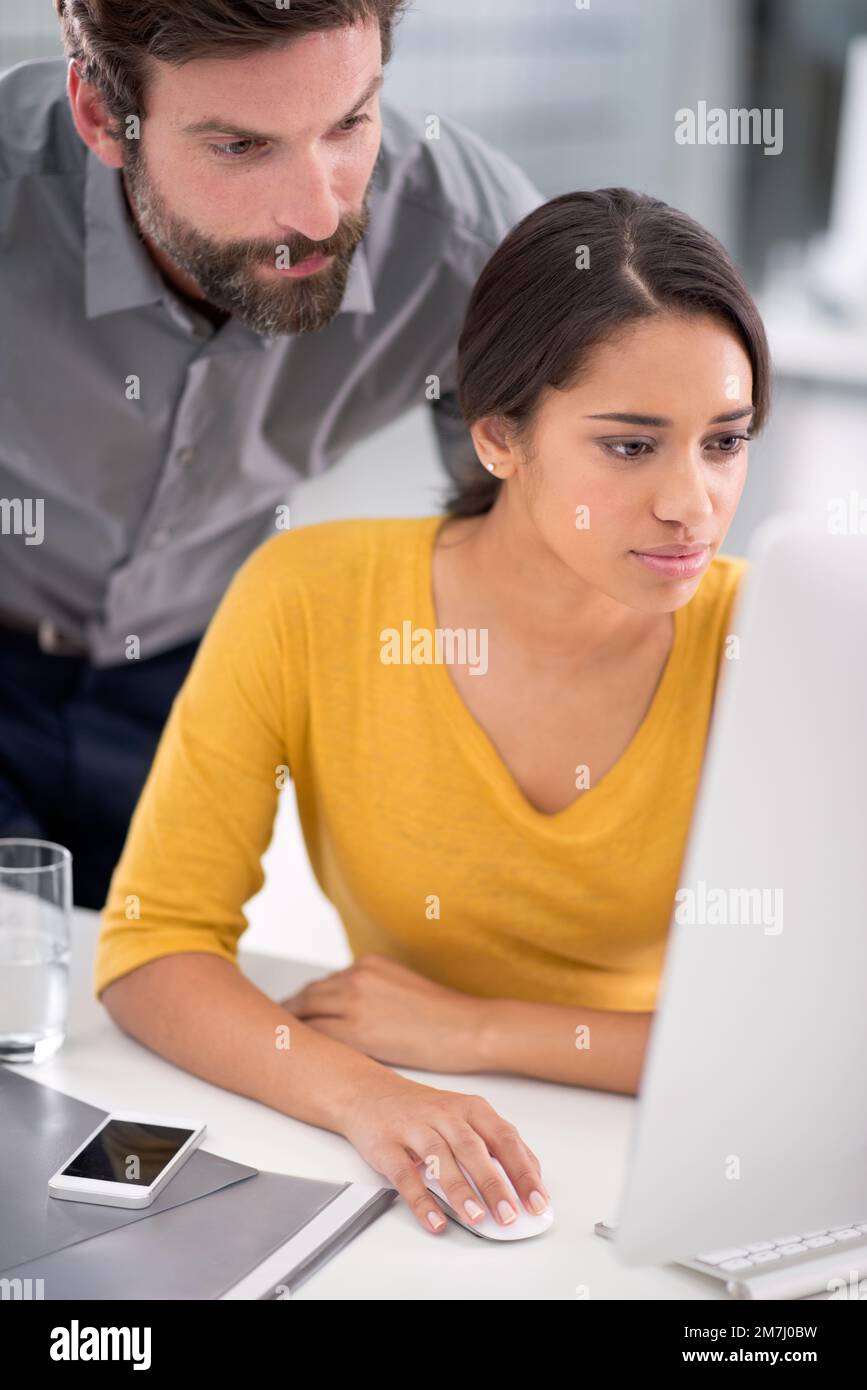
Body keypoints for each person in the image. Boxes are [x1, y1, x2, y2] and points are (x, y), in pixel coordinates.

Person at [95, 187, 770, 1236]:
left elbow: (814, 1032)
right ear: (500, 436)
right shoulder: (309, 597)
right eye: (631, 447)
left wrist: (479, 1033)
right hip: (411, 1164)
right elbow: (151, 948)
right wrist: (369, 1094)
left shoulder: (773, 644)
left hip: (668, 1156)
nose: (693, 504)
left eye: (724, 442)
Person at [0, 0, 543, 906]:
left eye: (348, 124)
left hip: (190, 679)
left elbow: (542, 539)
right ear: (103, 119)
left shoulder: (476, 250)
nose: (319, 210)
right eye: (239, 147)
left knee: (126, 1006)